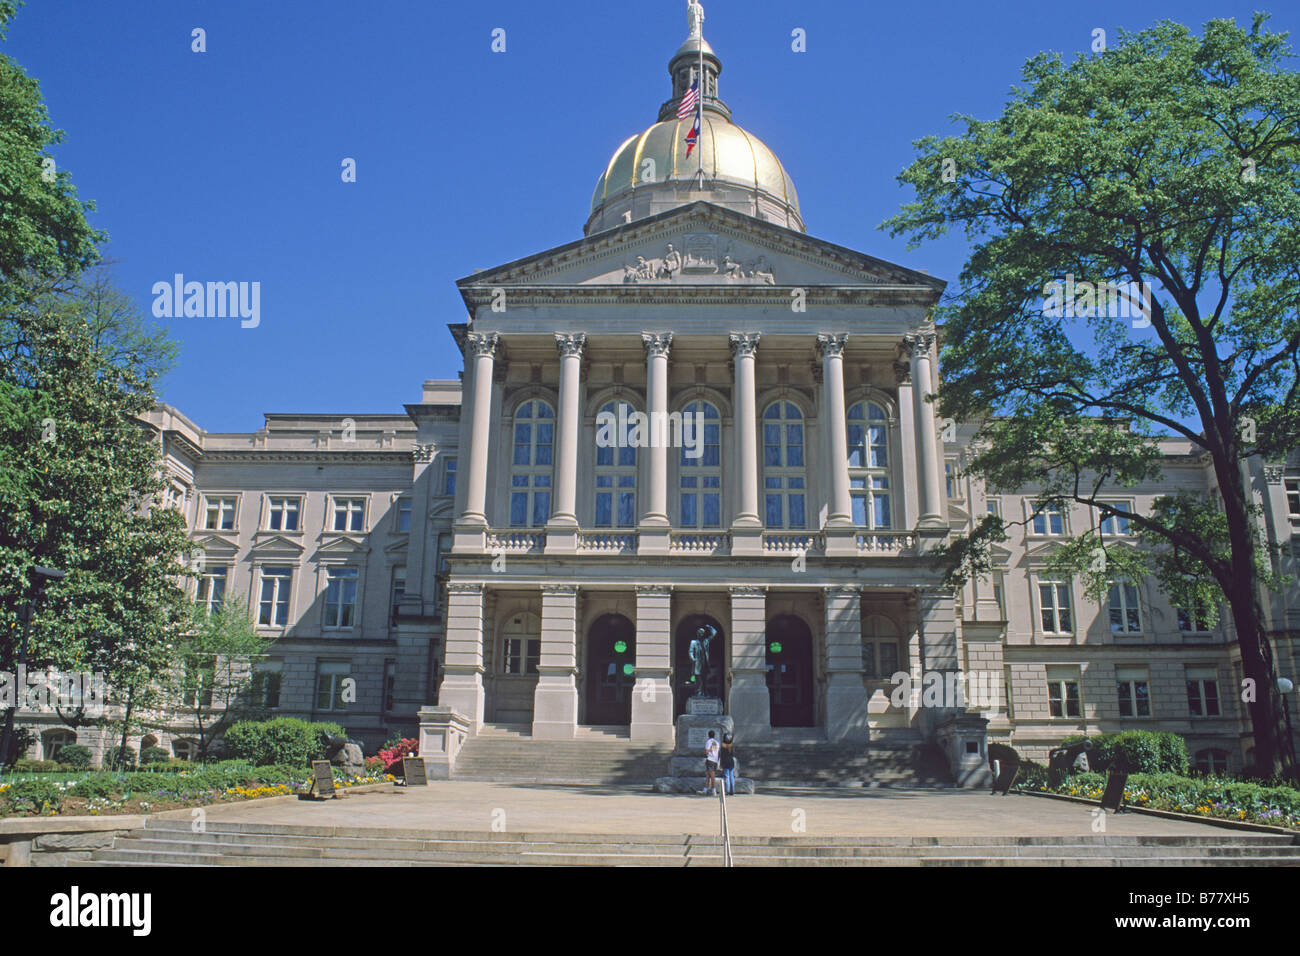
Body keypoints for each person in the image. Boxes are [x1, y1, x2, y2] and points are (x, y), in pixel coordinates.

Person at [700, 730, 720, 795]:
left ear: (708, 735)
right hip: (715, 760)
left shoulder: (709, 741)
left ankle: (713, 789)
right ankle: (705, 789)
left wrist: (704, 753)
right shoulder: (717, 742)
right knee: (708, 775)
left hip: (710, 759)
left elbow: (707, 751)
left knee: (712, 775)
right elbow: (717, 751)